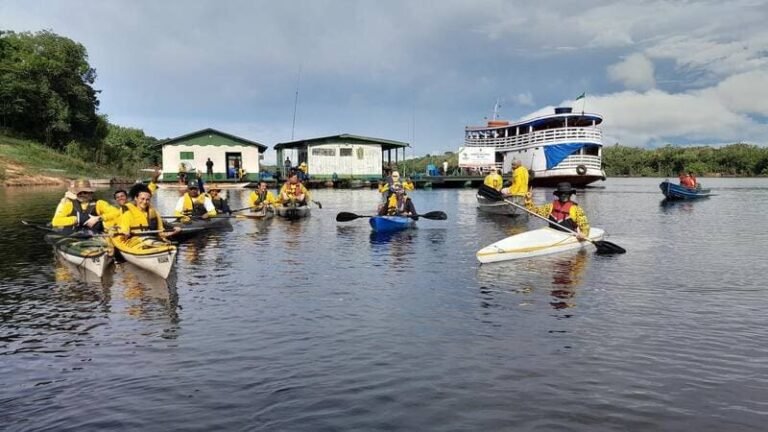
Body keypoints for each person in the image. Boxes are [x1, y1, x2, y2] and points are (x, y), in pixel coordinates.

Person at [113, 183, 179, 246]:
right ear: (136, 198)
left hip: (152, 240)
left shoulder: (154, 213)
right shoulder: (127, 212)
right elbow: (124, 229)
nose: (145, 202)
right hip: (135, 241)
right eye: (142, 199)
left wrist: (174, 231)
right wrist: (124, 233)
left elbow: (161, 233)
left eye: (147, 199)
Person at [524, 182, 590, 241]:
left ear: (570, 194)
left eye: (566, 193)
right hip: (552, 235)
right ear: (558, 194)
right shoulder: (551, 206)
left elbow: (584, 225)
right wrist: (528, 199)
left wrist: (583, 234)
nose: (563, 195)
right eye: (561, 193)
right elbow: (534, 212)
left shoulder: (576, 209)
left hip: (568, 236)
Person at [51, 179, 120, 233]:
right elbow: (56, 222)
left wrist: (99, 218)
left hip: (93, 235)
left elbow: (117, 213)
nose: (82, 194)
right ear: (75, 193)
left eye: (85, 192)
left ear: (91, 193)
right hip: (72, 235)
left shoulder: (99, 203)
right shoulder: (67, 203)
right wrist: (78, 219)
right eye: (79, 192)